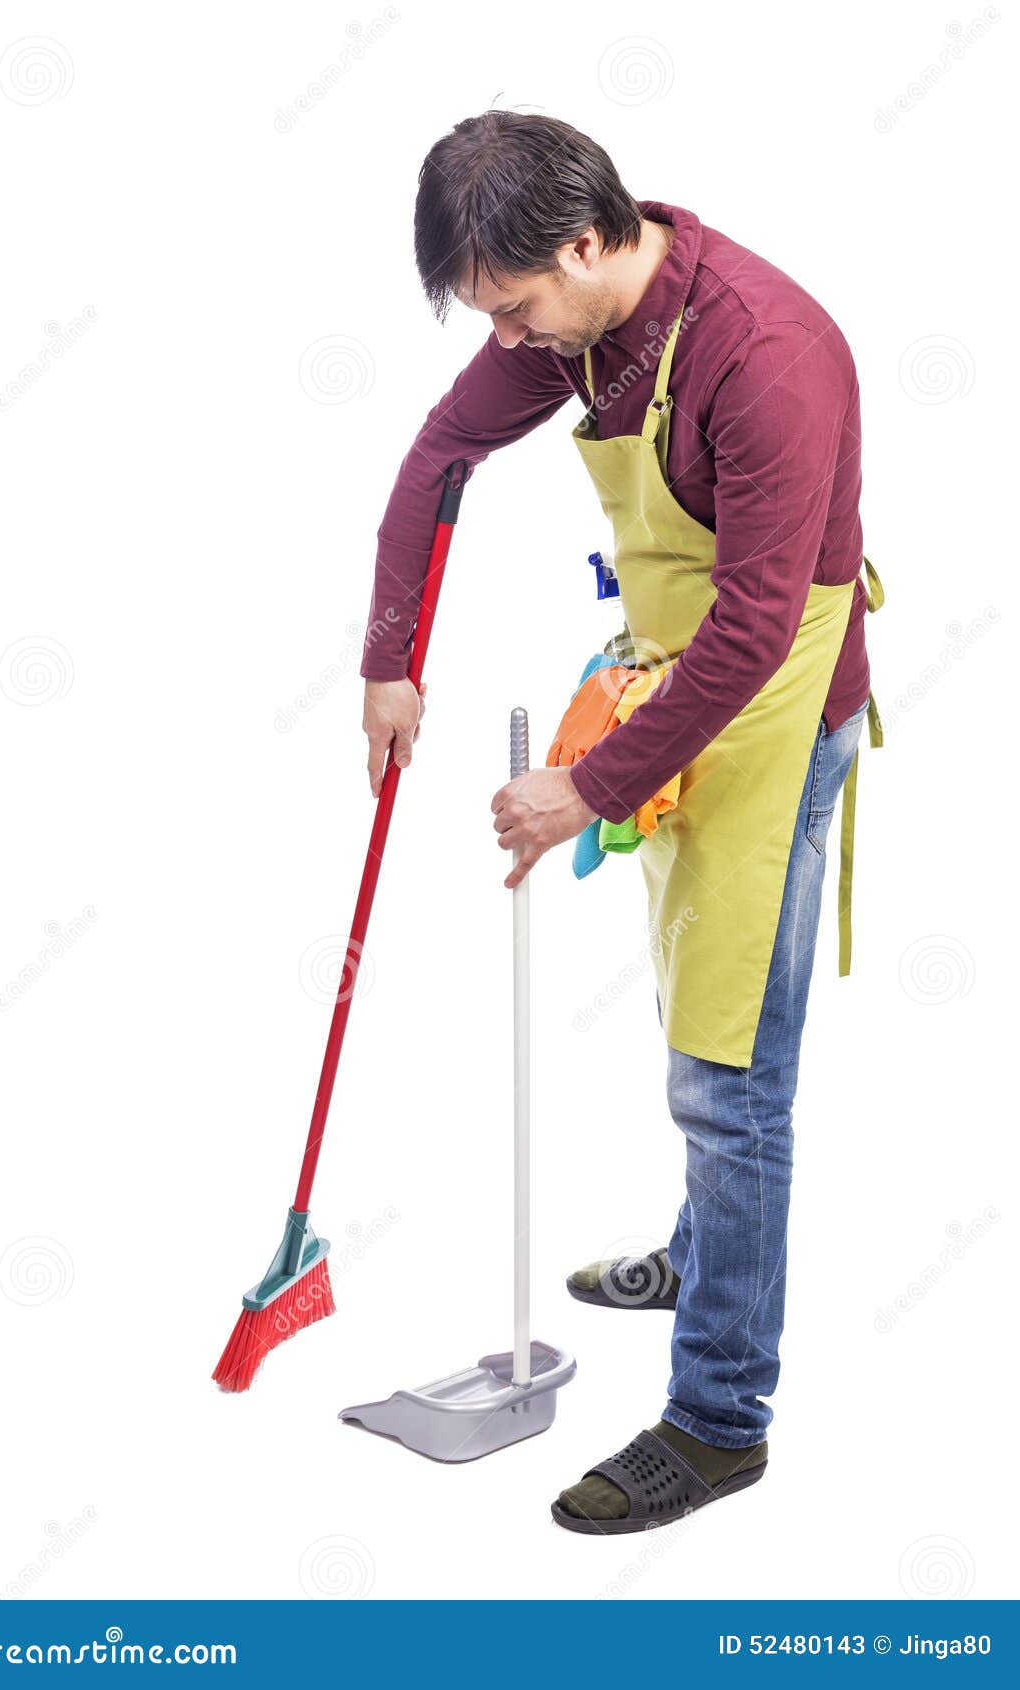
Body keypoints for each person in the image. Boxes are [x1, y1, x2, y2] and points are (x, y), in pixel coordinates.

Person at [359, 110, 880, 1535]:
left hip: (773, 709)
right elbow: (437, 458)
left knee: (731, 1066)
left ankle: (719, 1416)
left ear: (585, 243)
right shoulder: (581, 323)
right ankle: (705, 1249)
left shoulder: (762, 354)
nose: (510, 340)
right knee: (690, 1005)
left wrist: (581, 784)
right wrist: (391, 658)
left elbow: (762, 629)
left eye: (517, 308)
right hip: (678, 677)